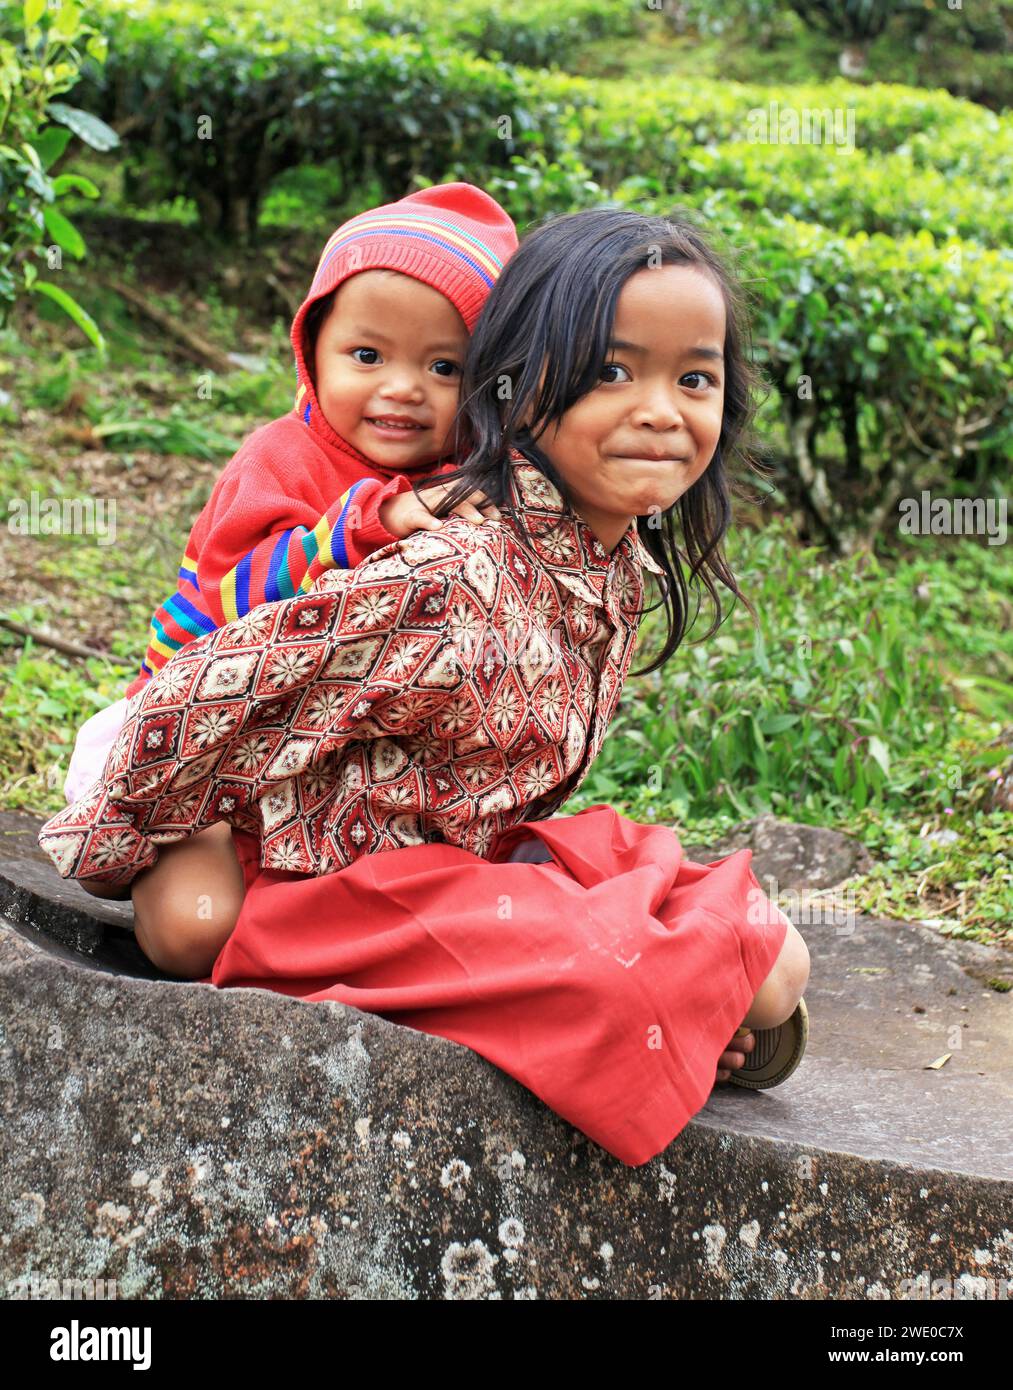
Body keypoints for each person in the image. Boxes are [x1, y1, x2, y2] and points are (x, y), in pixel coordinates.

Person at [39, 204, 810, 1167]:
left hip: (454, 855)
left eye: (693, 377)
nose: (660, 409)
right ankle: (645, 1001)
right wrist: (120, 842)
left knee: (777, 961)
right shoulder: (442, 575)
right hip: (315, 879)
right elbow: (191, 699)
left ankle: (642, 980)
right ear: (517, 389)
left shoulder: (606, 557)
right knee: (641, 980)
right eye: (612, 371)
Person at [61, 181, 519, 801]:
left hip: (329, 744)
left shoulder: (464, 472)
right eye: (366, 354)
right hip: (193, 725)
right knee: (157, 842)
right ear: (312, 351)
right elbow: (232, 598)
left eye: (445, 367)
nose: (404, 388)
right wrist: (366, 525)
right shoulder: (278, 459)